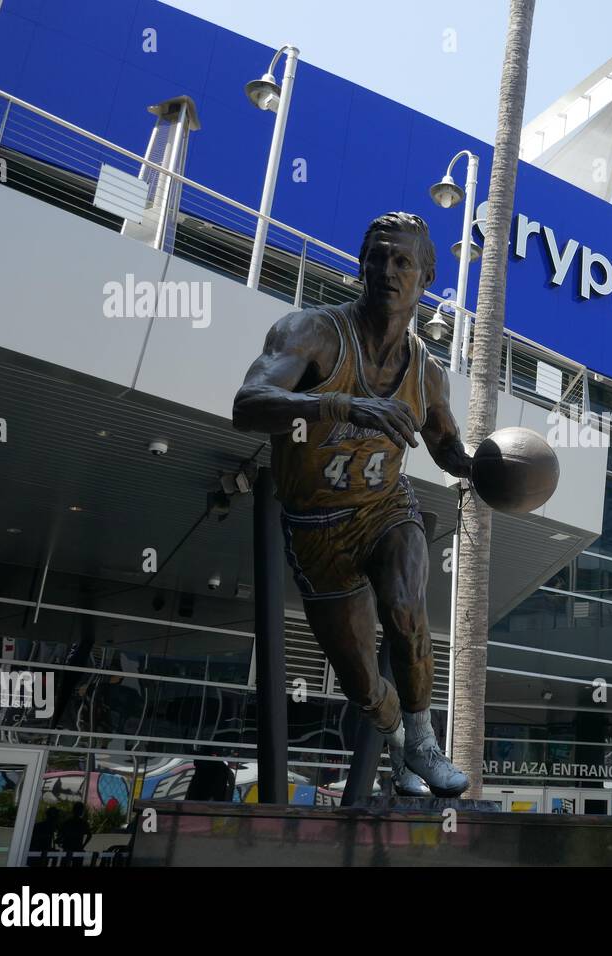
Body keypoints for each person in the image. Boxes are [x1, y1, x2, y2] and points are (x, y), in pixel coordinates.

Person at [233, 212, 474, 797]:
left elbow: (447, 448)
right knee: (363, 681)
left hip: (385, 508)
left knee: (406, 605)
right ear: (361, 264)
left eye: (403, 261)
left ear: (426, 279)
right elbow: (248, 404)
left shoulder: (428, 376)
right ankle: (397, 741)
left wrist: (486, 468)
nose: (388, 270)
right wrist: (342, 405)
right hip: (316, 527)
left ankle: (422, 739)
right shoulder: (312, 333)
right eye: (378, 257)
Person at [58, 802, 91, 866]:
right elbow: (89, 835)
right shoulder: (83, 823)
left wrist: (61, 840)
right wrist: (83, 846)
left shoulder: (68, 822)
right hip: (77, 847)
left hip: (68, 847)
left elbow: (62, 834)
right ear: (81, 811)